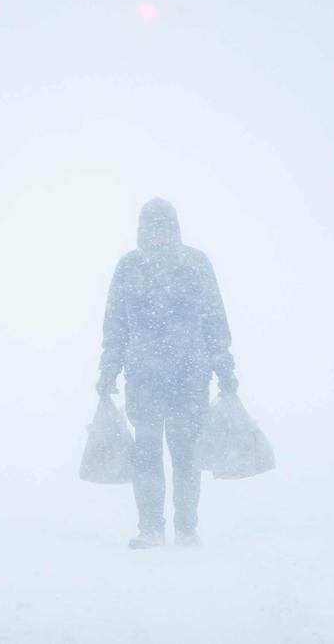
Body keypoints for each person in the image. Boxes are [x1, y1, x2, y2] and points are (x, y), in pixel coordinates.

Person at [97, 198, 237, 549]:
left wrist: (226, 371)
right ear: (142, 230)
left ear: (174, 229)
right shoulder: (128, 268)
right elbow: (115, 327)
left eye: (163, 227)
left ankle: (187, 529)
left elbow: (214, 321)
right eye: (151, 227)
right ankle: (151, 529)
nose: (157, 235)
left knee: (186, 453)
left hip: (189, 379)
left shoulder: (196, 265)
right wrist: (108, 371)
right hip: (144, 379)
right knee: (146, 454)